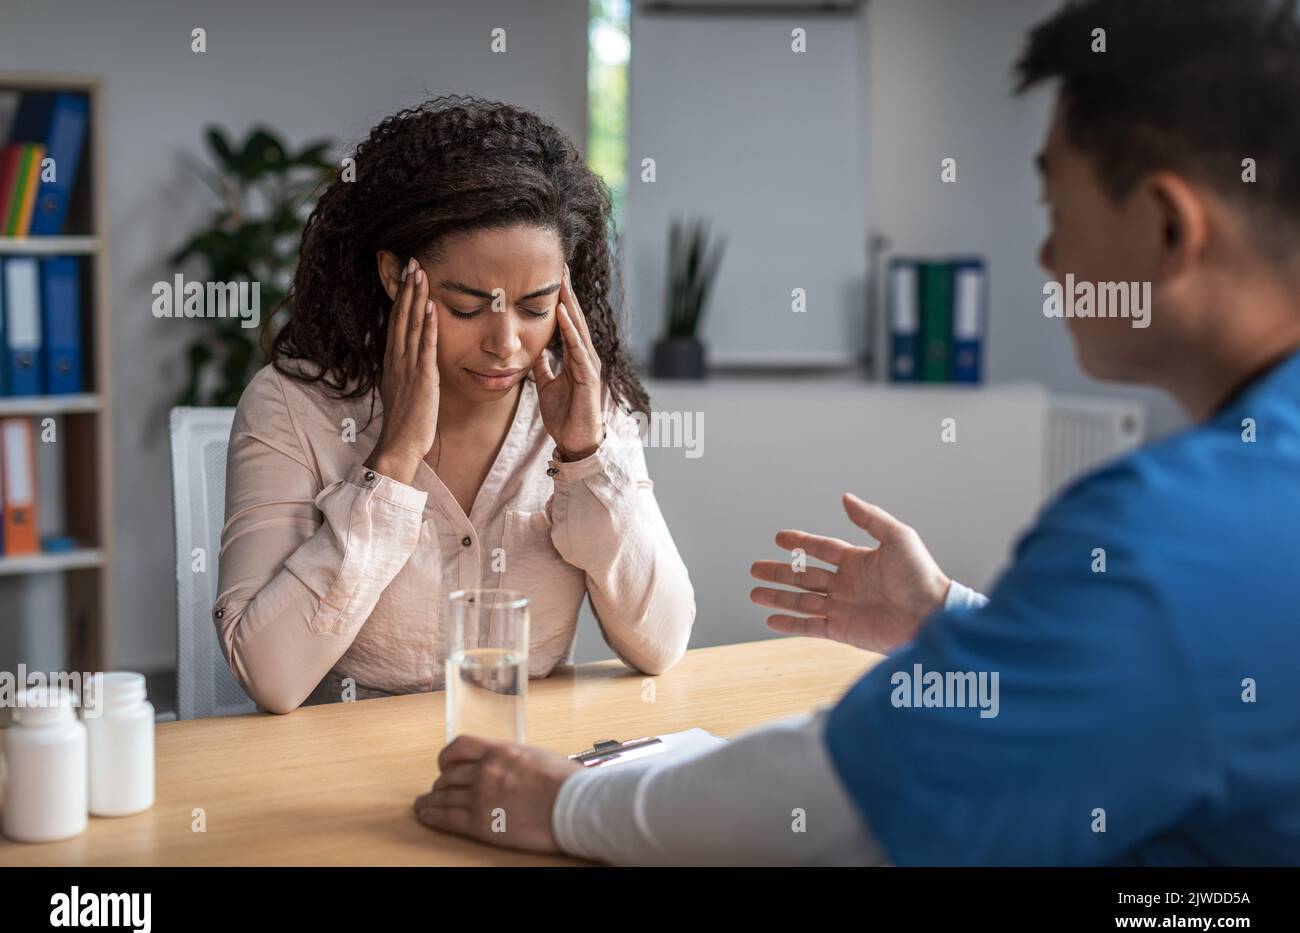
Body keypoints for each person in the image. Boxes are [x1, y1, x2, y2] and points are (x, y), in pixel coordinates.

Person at [413, 0, 1300, 865]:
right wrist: (953, 620)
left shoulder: (1167, 538)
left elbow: (843, 798)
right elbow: (1162, 683)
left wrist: (565, 802)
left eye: (1058, 210)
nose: (1048, 258)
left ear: (1166, 227)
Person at [214, 96, 695, 715]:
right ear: (395, 276)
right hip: (337, 777)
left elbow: (661, 645)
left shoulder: (586, 406)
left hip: (520, 766)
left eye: (535, 307)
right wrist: (391, 465)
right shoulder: (292, 405)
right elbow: (271, 677)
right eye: (467, 308)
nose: (505, 344)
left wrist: (584, 457)